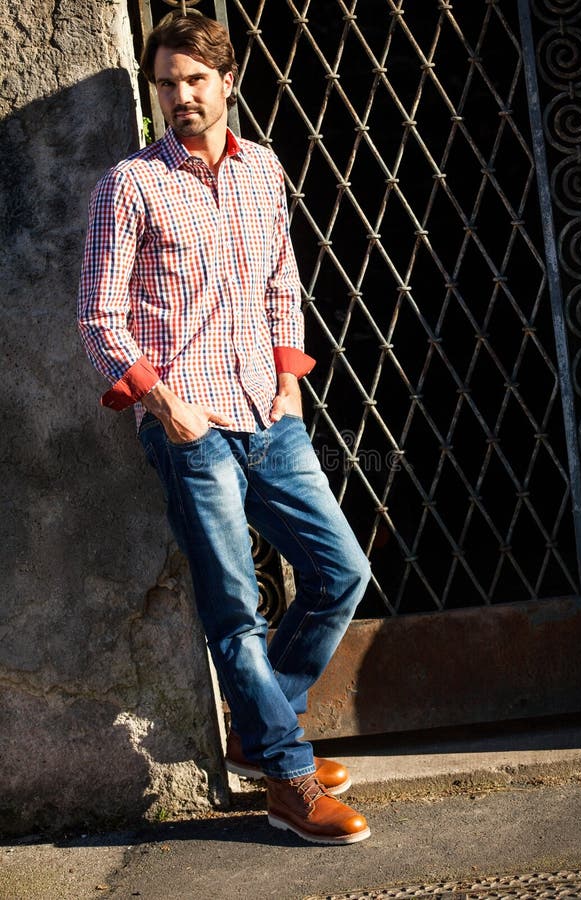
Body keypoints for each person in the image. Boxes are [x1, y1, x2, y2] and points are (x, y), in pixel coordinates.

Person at [77, 9, 371, 846]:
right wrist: (165, 406)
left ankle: (262, 723)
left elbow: (282, 282)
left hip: (267, 412)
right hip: (190, 426)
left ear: (227, 81)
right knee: (235, 608)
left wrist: (290, 384)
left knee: (340, 571)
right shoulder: (129, 185)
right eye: (165, 83)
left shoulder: (263, 171)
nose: (179, 96)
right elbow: (99, 318)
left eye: (194, 80)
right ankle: (286, 775)